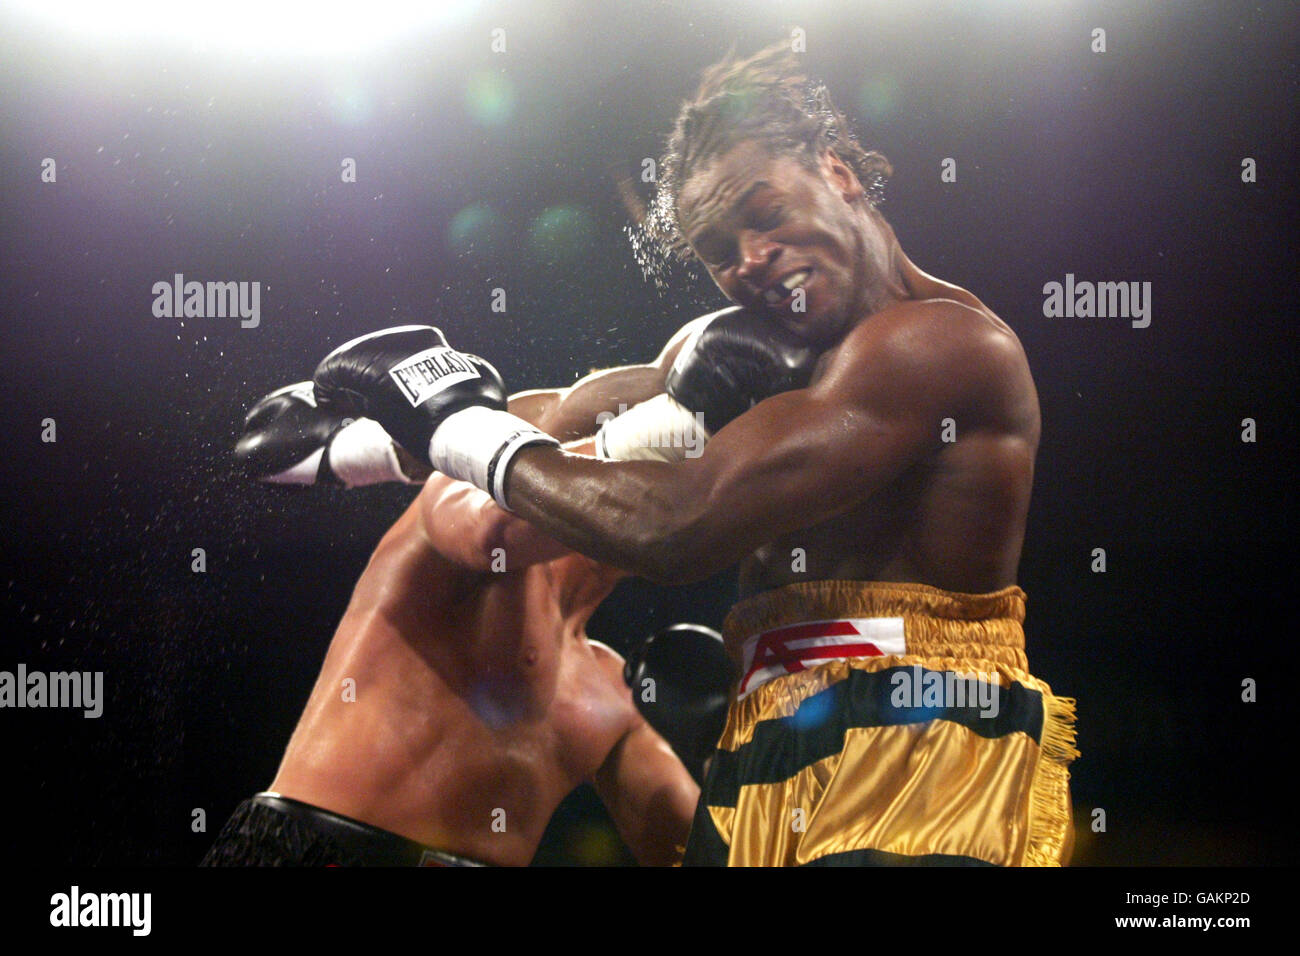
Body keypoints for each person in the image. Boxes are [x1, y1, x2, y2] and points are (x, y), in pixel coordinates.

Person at [310, 42, 1078, 867]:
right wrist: (359, 448)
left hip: (923, 730)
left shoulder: (938, 345)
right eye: (717, 248)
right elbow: (569, 412)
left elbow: (679, 526)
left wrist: (454, 431)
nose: (749, 258)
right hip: (769, 738)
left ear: (838, 172)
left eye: (767, 213)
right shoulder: (734, 347)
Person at [204, 305, 811, 866]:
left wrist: (733, 755)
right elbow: (498, 526)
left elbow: (696, 856)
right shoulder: (457, 502)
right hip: (319, 852)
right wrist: (675, 428)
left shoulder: (609, 692)